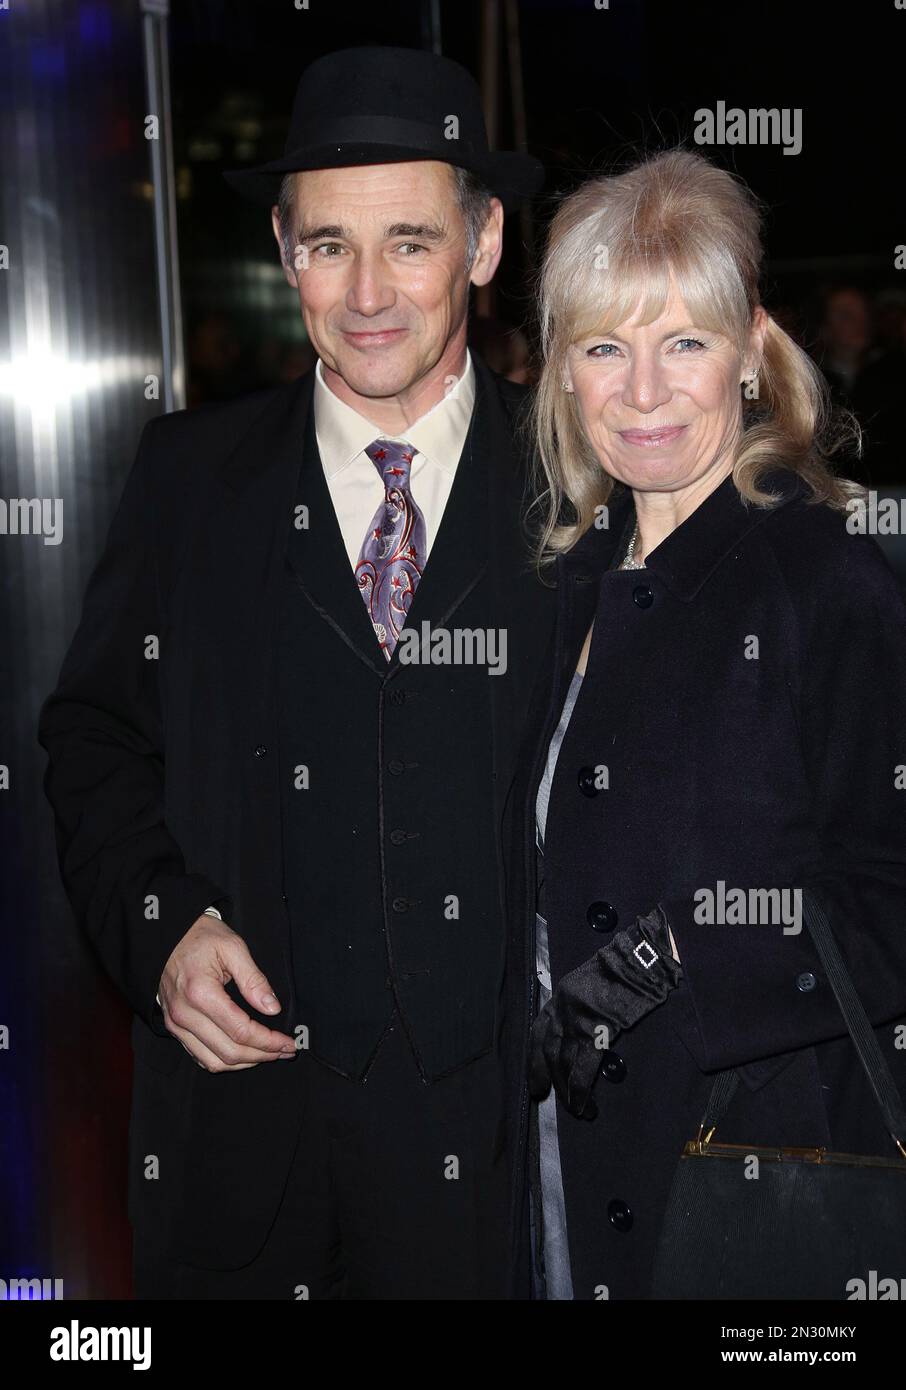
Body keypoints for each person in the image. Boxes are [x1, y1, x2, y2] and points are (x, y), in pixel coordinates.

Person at [38, 45, 554, 1299]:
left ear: (483, 245)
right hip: (241, 1171)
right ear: (284, 251)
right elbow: (94, 738)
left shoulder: (577, 488)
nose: (368, 292)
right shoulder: (187, 479)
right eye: (330, 245)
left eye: (411, 242)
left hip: (497, 1179)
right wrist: (162, 931)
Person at [502, 147, 906, 1299]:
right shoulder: (571, 578)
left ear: (749, 355)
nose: (642, 389)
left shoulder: (827, 581)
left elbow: (891, 890)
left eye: (683, 341)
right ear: (562, 372)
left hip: (757, 1178)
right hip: (567, 1166)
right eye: (603, 348)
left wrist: (671, 956)